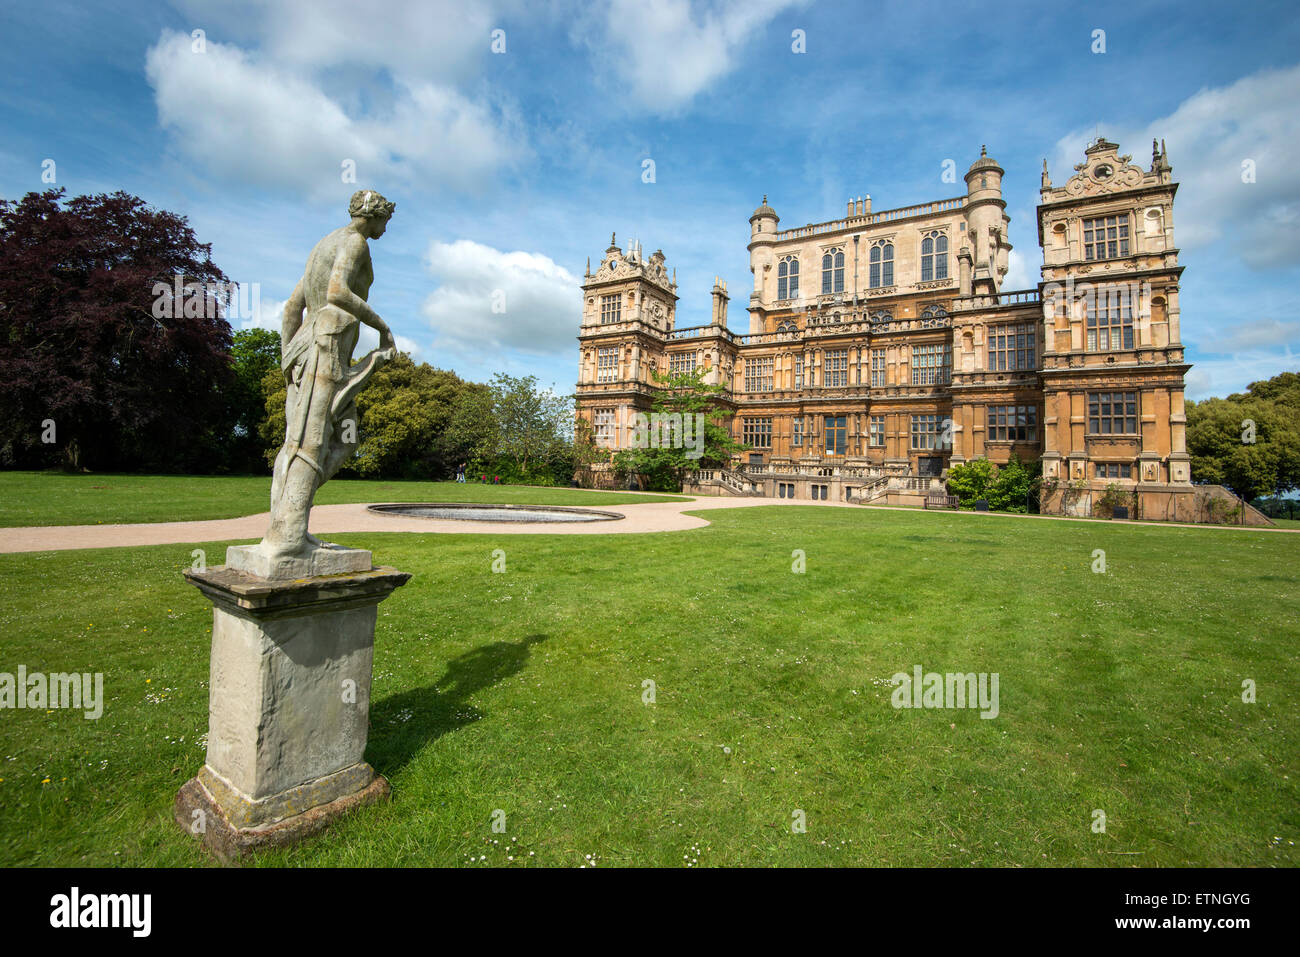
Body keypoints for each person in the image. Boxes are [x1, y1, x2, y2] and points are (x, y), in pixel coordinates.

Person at [260, 189, 398, 561]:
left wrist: (288, 359)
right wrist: (382, 326)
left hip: (306, 346)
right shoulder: (355, 243)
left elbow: (292, 307)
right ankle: (288, 536)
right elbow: (337, 291)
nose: (387, 228)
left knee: (317, 438)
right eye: (386, 220)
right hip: (329, 343)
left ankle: (285, 525)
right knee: (314, 439)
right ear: (374, 216)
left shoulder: (323, 244)